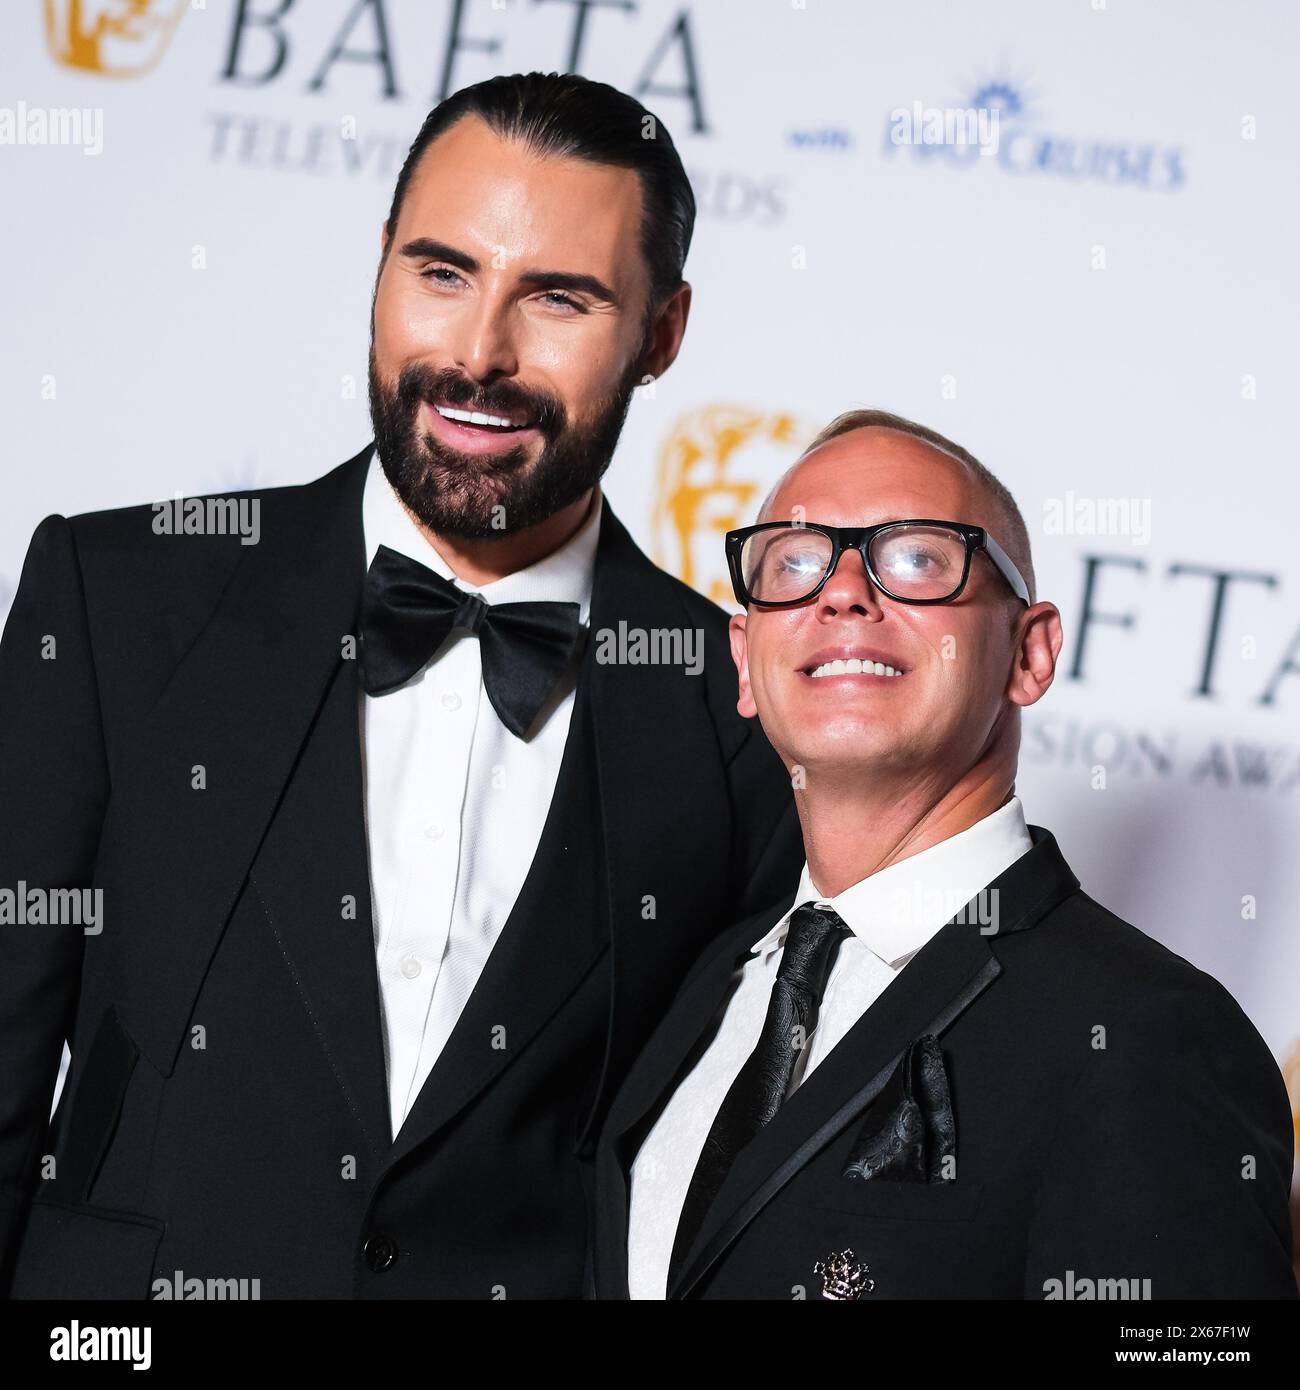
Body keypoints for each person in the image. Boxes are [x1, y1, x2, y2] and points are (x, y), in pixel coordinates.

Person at [0, 72, 800, 1300]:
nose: (478, 355)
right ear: (379, 263)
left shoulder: (737, 708)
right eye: (441, 273)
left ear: (662, 334)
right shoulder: (117, 600)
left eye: (558, 298)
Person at [592, 408, 1297, 1300]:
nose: (842, 592)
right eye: (795, 563)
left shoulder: (1151, 1036)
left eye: (918, 557)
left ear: (1030, 654)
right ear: (745, 660)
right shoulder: (702, 985)